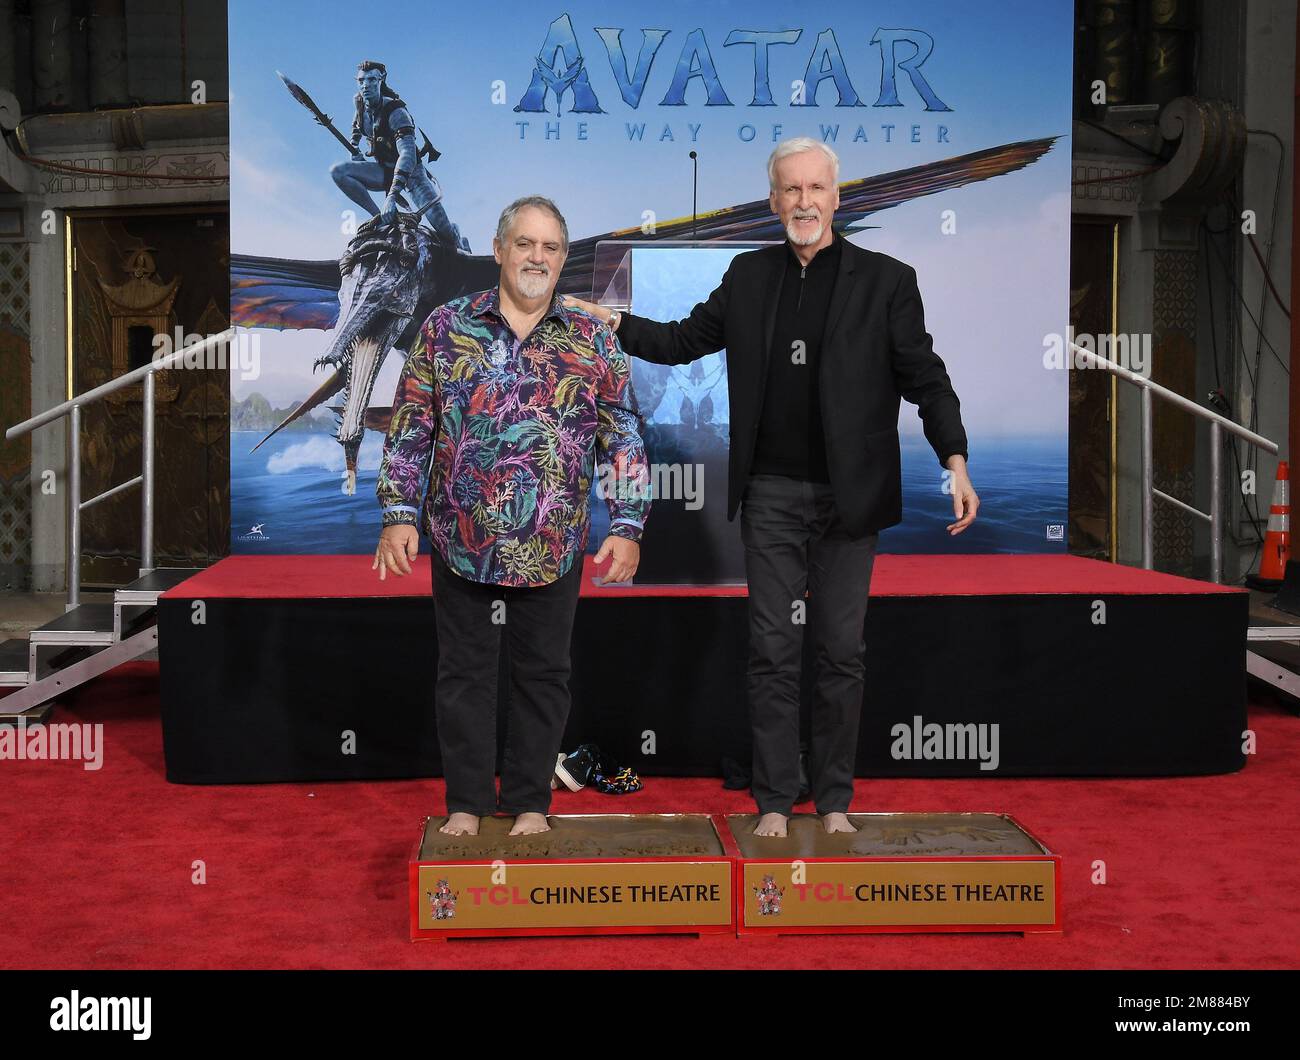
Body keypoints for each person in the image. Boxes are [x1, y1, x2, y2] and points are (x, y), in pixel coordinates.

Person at [565, 138, 979, 837]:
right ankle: (777, 801)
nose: (804, 202)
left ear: (837, 198)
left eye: (817, 189)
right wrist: (615, 324)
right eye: (791, 190)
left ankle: (837, 800)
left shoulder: (888, 281)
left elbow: (926, 379)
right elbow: (682, 340)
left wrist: (957, 458)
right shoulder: (748, 276)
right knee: (772, 652)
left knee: (840, 652)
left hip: (853, 502)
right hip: (771, 497)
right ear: (773, 200)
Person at [374, 195, 650, 837]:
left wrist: (629, 525)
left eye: (550, 248)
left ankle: (530, 803)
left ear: (562, 261)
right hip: (458, 538)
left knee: (544, 678)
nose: (537, 257)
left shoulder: (592, 340)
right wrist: (397, 511)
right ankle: (466, 806)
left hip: (553, 543)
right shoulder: (445, 328)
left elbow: (625, 437)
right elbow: (412, 425)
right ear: (499, 250)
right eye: (525, 244)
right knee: (463, 677)